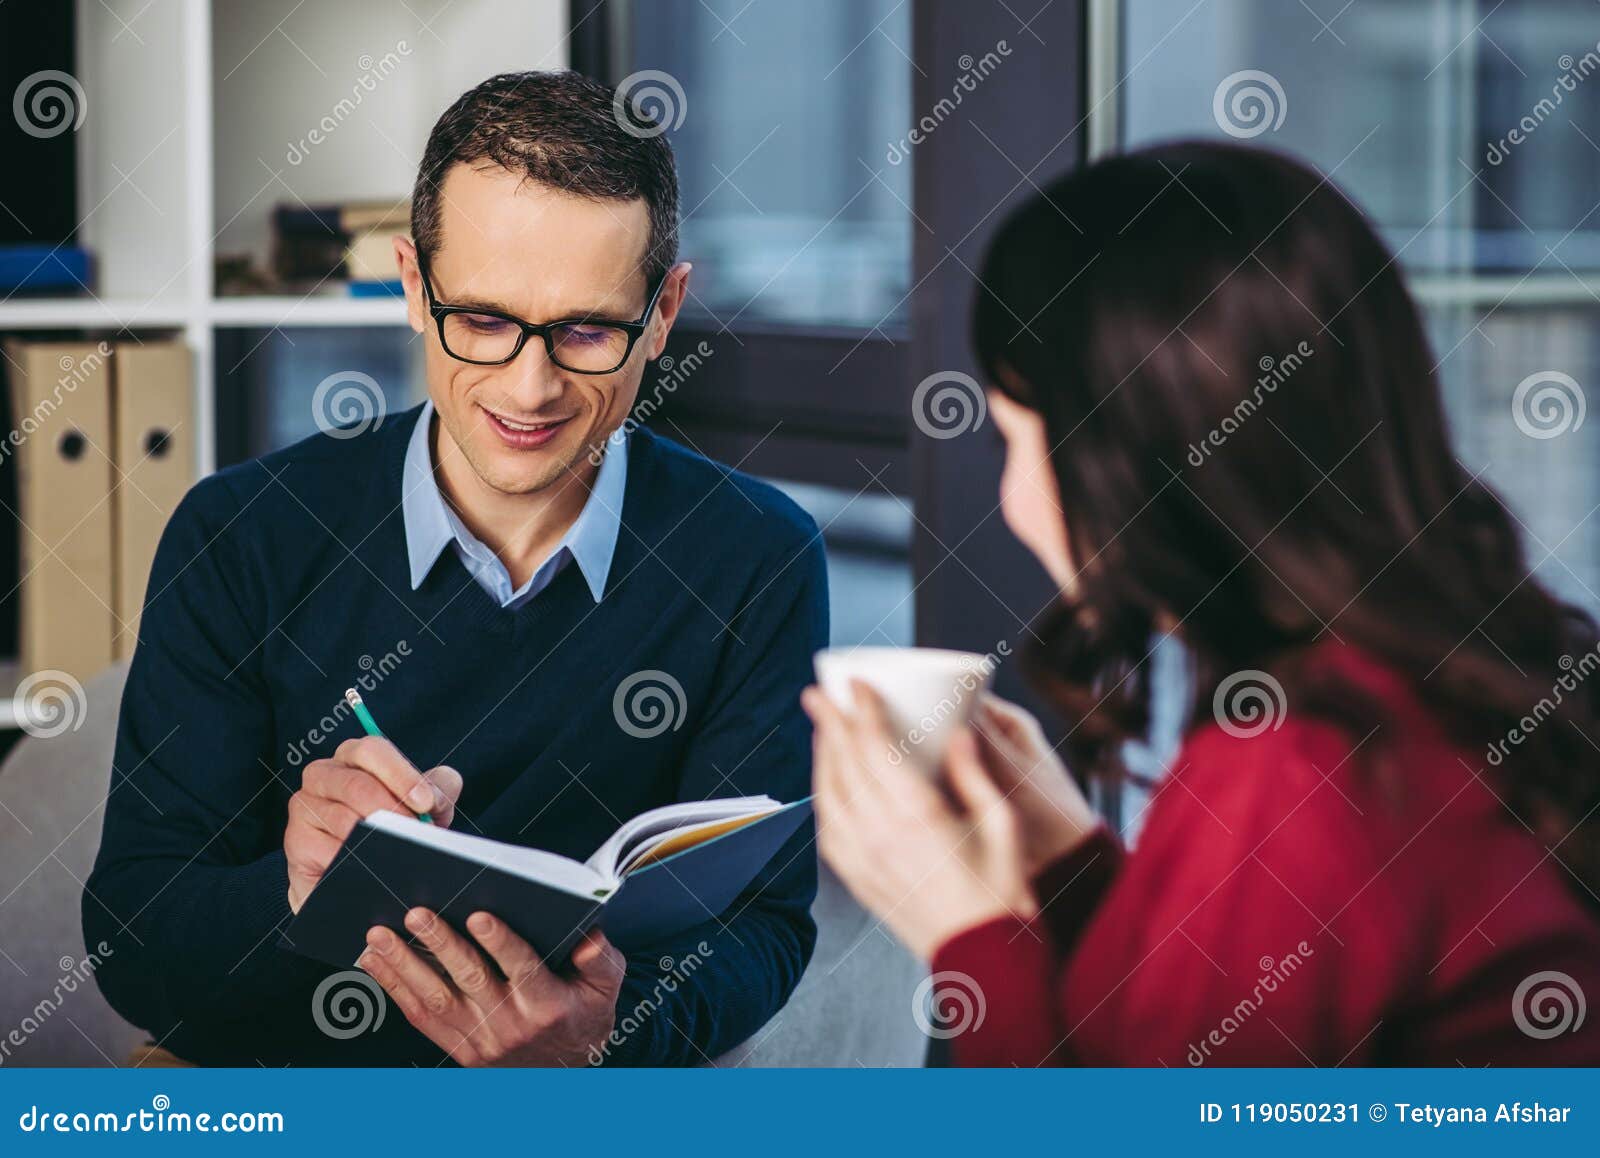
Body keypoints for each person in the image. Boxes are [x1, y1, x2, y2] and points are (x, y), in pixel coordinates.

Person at [84, 71, 825, 1066]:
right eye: (481, 319)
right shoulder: (240, 534)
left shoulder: (759, 558)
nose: (531, 387)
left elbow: (763, 926)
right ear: (409, 283)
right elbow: (131, 940)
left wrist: (608, 1035)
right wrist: (296, 888)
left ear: (662, 314)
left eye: (588, 330)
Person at [807, 142, 1600, 1065]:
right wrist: (1064, 863)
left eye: (1013, 436)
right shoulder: (1410, 678)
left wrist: (966, 934)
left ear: (1126, 464)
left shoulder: (1302, 768)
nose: (1012, 494)